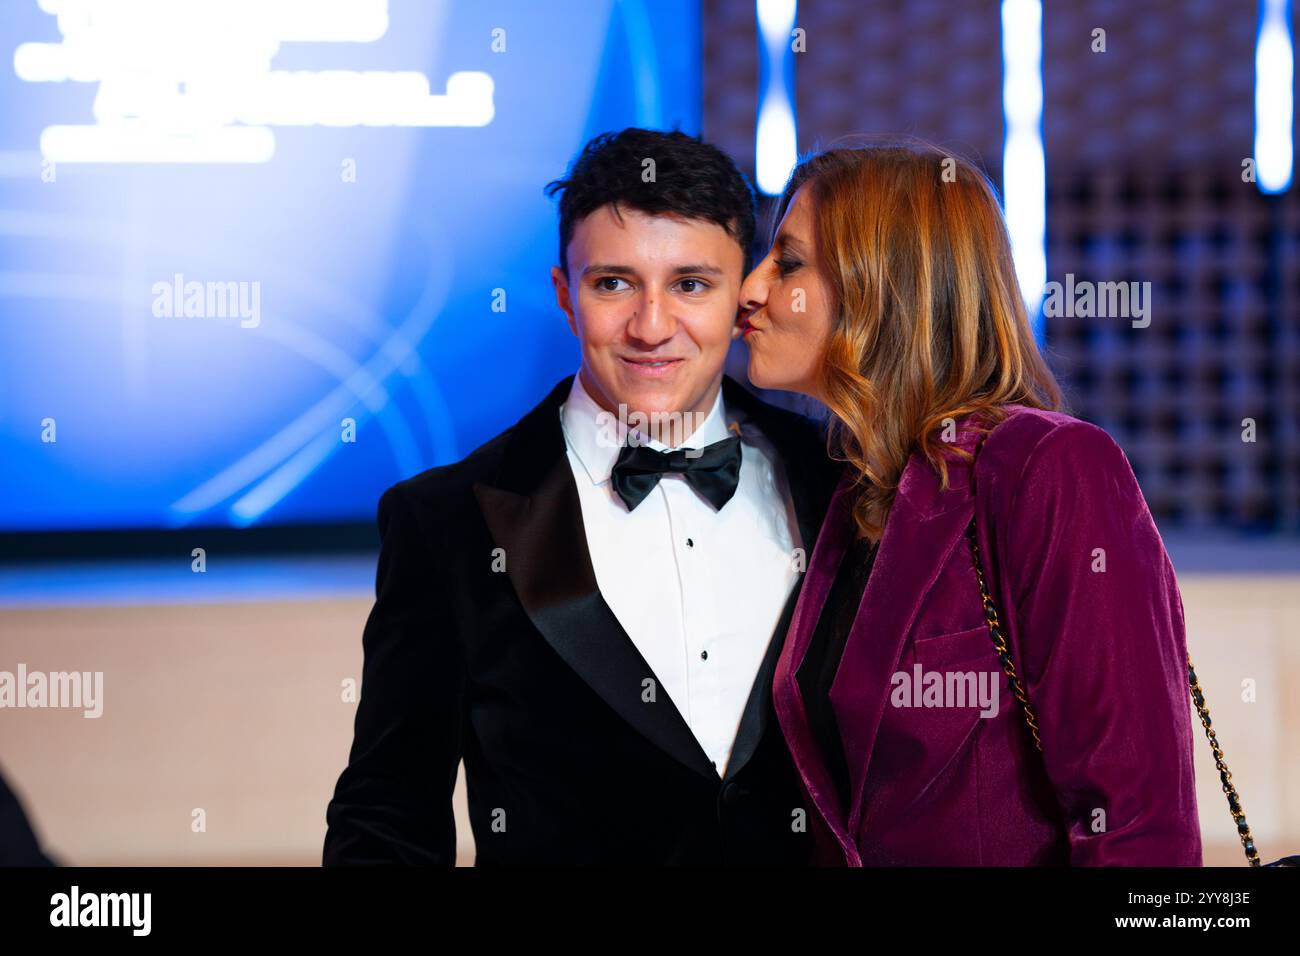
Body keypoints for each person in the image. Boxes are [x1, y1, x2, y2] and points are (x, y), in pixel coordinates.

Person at [323, 128, 839, 865]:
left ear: (744, 297)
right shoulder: (446, 521)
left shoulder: (843, 485)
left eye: (691, 284)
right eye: (614, 284)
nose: (652, 327)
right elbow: (387, 817)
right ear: (566, 294)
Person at [737, 141, 1203, 866]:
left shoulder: (1049, 467)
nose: (751, 288)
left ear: (881, 283)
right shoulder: (854, 493)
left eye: (788, 263)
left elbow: (1137, 827)